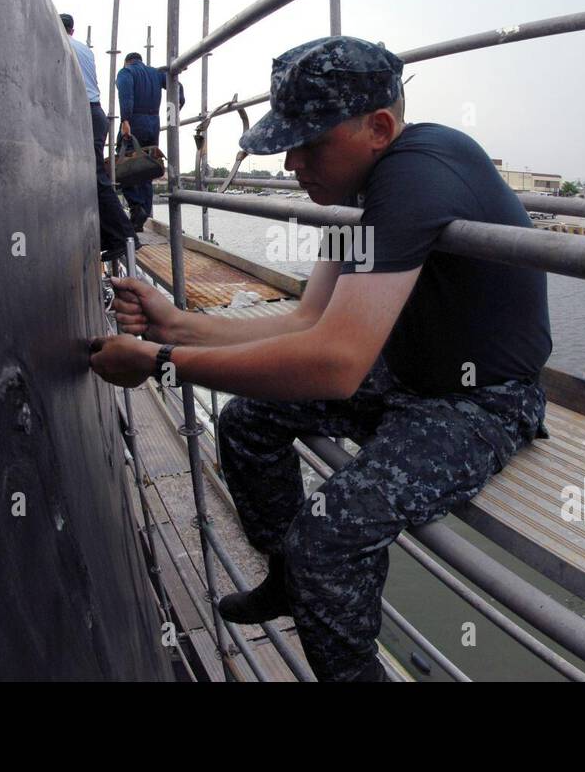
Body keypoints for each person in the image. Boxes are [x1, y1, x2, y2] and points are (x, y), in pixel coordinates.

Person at [88, 36, 551, 682]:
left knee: (327, 545)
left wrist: (161, 360)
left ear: (379, 128)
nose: (292, 164)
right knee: (247, 422)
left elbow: (336, 363)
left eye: (309, 144)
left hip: (483, 400)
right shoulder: (366, 189)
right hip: (409, 373)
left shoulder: (414, 178)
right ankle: (285, 578)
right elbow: (311, 322)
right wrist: (179, 327)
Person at [60, 13, 137, 260]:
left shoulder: (56, 42)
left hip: (82, 113)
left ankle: (125, 237)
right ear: (73, 29)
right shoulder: (84, 49)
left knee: (94, 178)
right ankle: (109, 235)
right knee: (91, 178)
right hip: (94, 113)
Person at [115, 52, 183, 232]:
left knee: (124, 167)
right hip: (153, 124)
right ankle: (143, 211)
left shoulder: (126, 72)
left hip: (134, 122)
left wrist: (125, 120)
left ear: (127, 61)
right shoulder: (155, 73)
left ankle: (137, 207)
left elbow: (126, 95)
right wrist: (177, 108)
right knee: (146, 168)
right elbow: (177, 87)